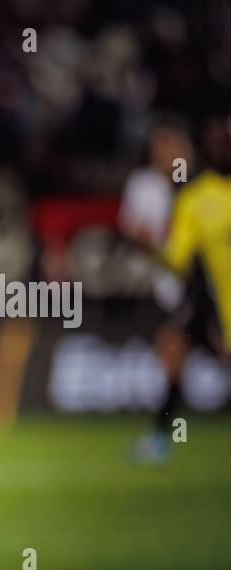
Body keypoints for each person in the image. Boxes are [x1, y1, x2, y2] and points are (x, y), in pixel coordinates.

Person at [131, 116, 230, 463]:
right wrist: (150, 247)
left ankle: (162, 436)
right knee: (174, 348)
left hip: (204, 298)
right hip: (205, 297)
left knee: (176, 348)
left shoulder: (191, 189)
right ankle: (162, 436)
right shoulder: (195, 196)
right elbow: (178, 257)